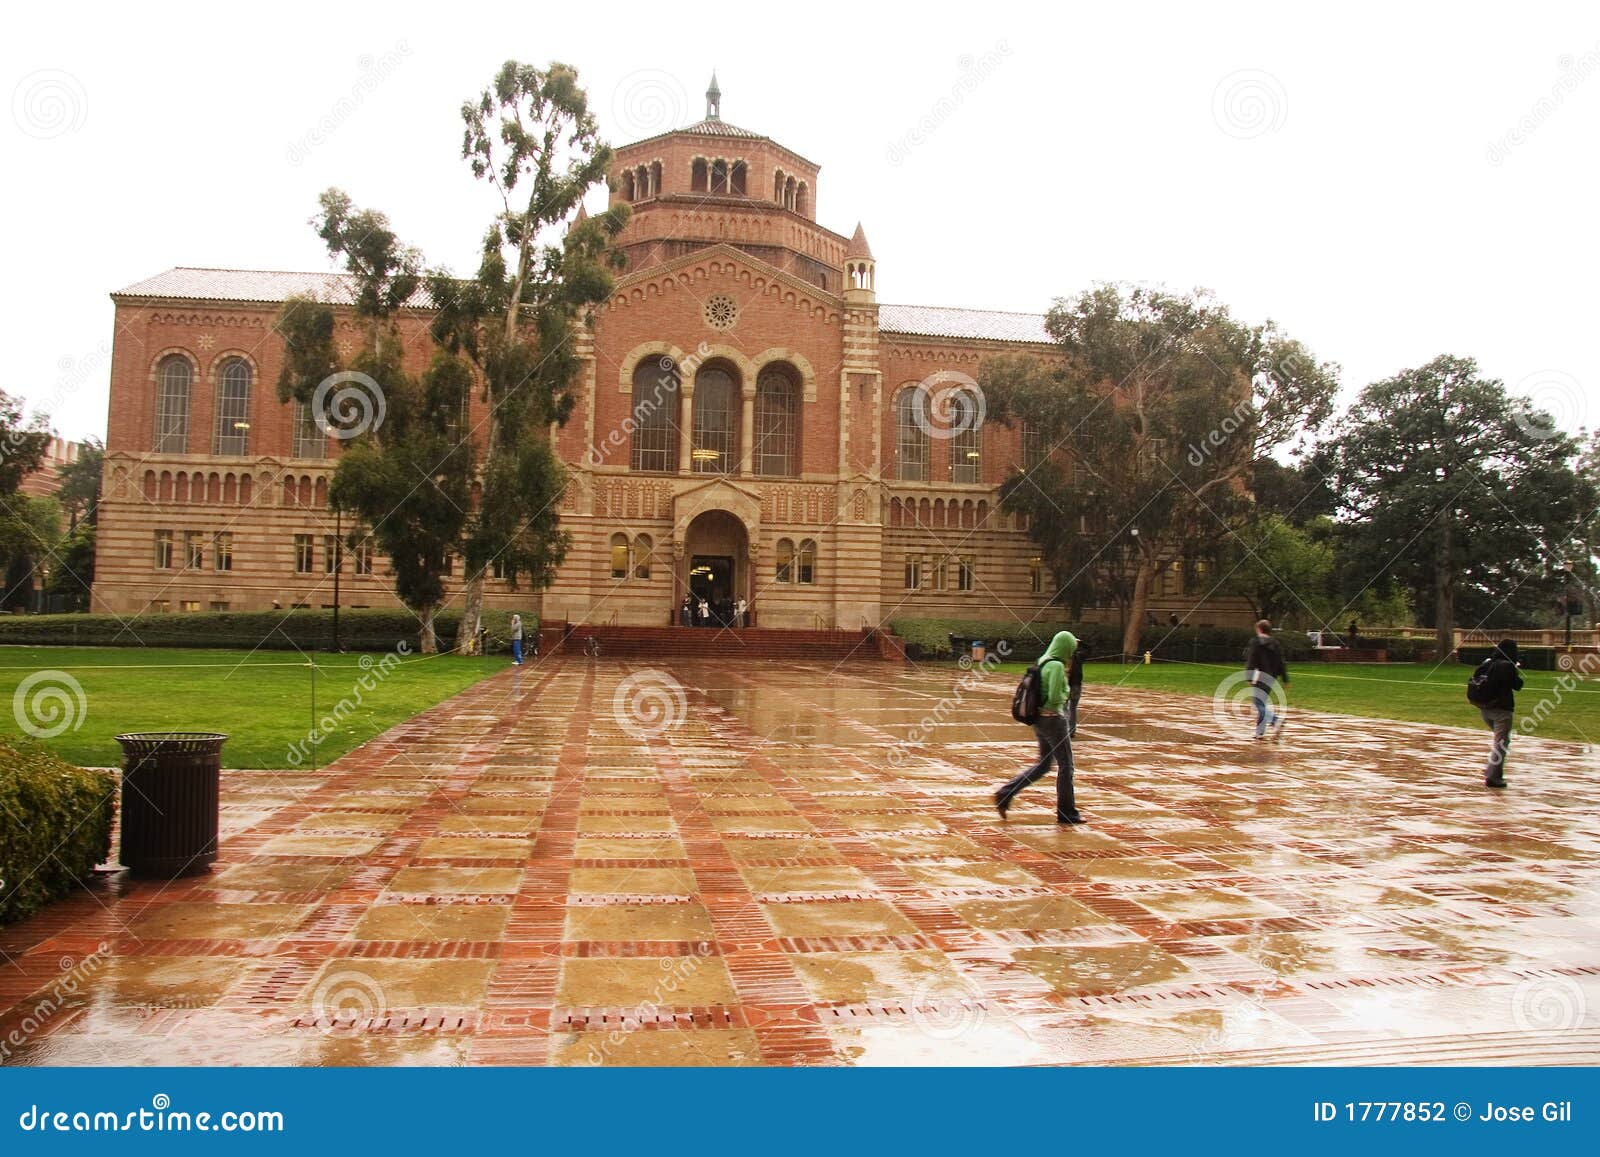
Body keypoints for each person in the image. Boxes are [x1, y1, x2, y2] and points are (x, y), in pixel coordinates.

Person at [993, 631, 1083, 824]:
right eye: (1071, 648)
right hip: (1053, 719)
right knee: (1066, 766)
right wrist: (1067, 691)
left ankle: (1005, 793)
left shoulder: (1043, 661)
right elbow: (1056, 697)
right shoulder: (1057, 666)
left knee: (1044, 764)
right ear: (1065, 647)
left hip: (1039, 719)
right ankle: (1067, 813)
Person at [1475, 639, 1523, 788]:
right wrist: (1515, 669)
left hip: (1485, 708)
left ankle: (1491, 770)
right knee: (1501, 744)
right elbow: (1518, 685)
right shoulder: (1507, 666)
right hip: (1502, 710)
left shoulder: (1487, 663)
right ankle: (1493, 777)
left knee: (1499, 742)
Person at [1244, 619, 1289, 739]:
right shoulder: (1276, 643)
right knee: (1262, 703)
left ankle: (1275, 720)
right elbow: (1281, 662)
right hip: (1271, 677)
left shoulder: (1255, 642)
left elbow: (1252, 659)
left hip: (1259, 676)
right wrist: (1285, 679)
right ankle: (1260, 732)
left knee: (1258, 704)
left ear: (1259, 629)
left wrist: (1249, 676)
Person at [1067, 644, 1085, 738]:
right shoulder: (1078, 656)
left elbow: (1088, 649)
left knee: (1070, 708)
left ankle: (1070, 730)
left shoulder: (1077, 656)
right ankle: (1070, 730)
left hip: (1074, 686)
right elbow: (1088, 649)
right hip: (1072, 685)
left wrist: (1080, 642)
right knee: (1070, 708)